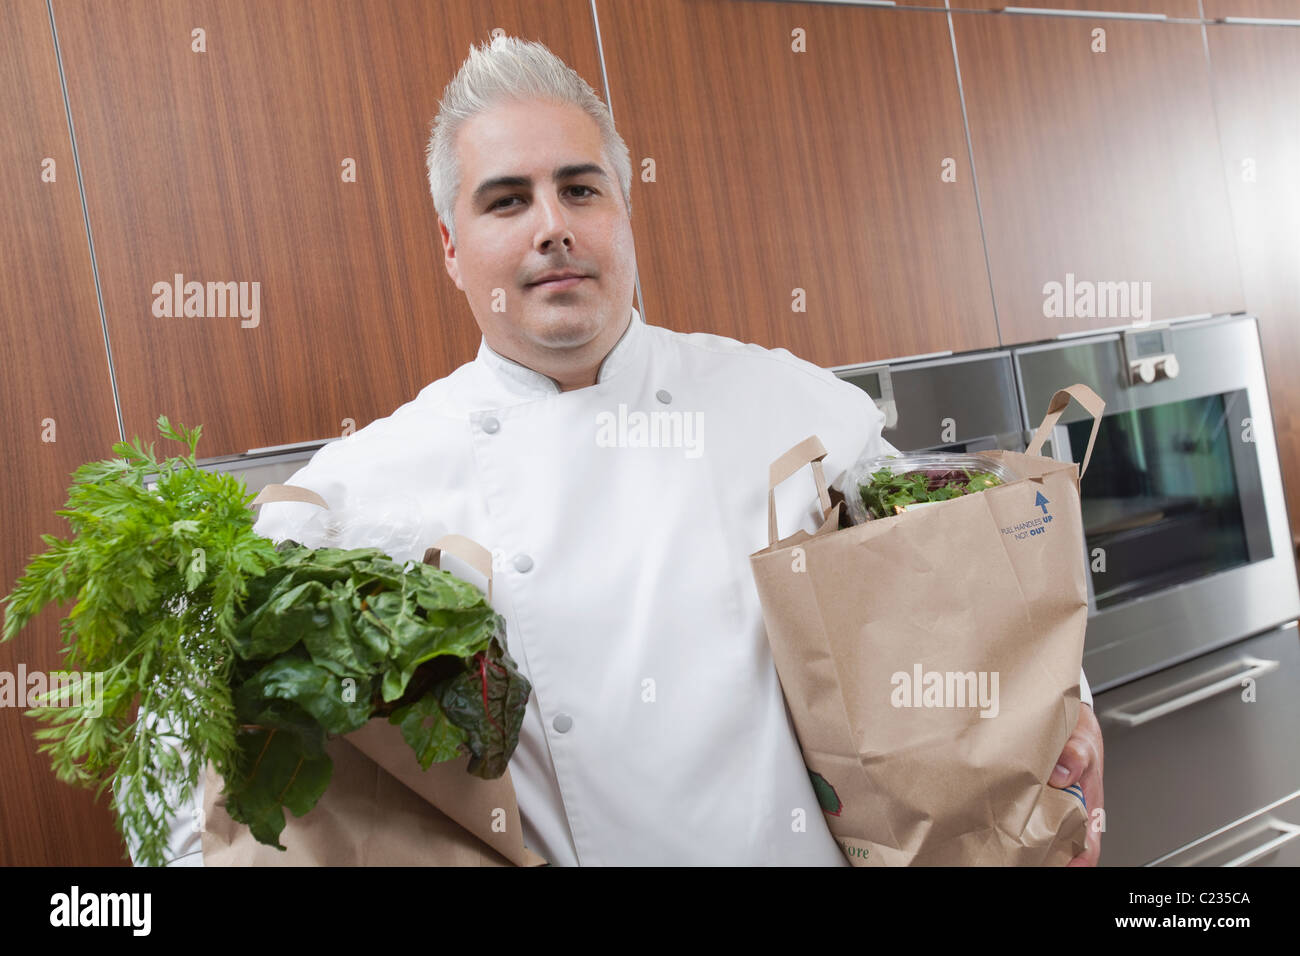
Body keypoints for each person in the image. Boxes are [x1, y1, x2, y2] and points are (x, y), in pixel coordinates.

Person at [166, 35, 1103, 866]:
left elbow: (964, 575)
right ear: (452, 247)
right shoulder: (369, 484)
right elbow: (190, 754)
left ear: (622, 211)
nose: (553, 226)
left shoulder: (783, 400)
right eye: (506, 201)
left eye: (580, 188)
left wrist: (1064, 712)